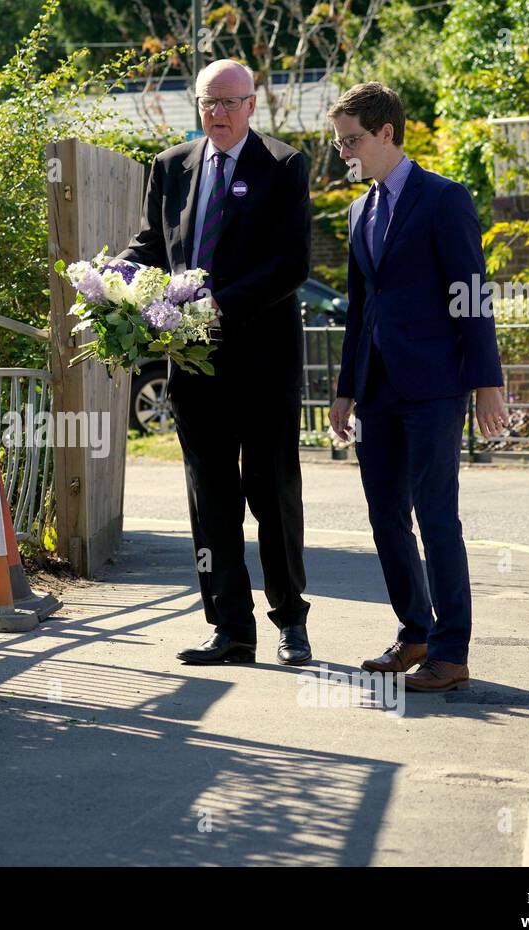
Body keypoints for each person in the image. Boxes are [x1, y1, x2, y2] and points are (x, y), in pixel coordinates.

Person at [118, 59, 313, 666]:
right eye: (208, 103)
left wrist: (214, 305)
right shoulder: (172, 166)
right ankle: (230, 627)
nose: (218, 114)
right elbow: (153, 242)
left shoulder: (283, 165)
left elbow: (291, 264)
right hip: (192, 366)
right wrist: (114, 279)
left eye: (230, 102)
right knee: (211, 498)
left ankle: (290, 623)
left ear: (253, 105)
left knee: (271, 494)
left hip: (262, 363)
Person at [326, 82, 508, 691]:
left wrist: (486, 382)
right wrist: (345, 388)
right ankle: (415, 633)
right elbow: (360, 308)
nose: (344, 153)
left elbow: (472, 294)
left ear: (386, 133)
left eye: (351, 141)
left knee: (437, 517)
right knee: (384, 518)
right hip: (377, 389)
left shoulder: (443, 198)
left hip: (434, 387)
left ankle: (452, 653)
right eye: (338, 142)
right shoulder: (359, 210)